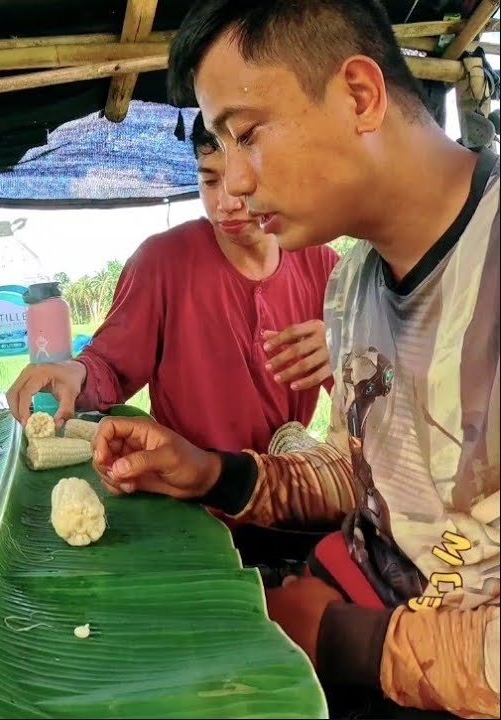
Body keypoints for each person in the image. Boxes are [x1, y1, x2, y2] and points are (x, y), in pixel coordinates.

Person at [92, 1, 498, 717]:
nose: (237, 185)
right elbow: (361, 474)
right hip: (346, 594)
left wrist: (346, 643)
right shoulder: (351, 285)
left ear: (360, 96)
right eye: (218, 154)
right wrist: (212, 471)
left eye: (248, 136)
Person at [7, 113, 339, 456]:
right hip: (185, 491)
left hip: (287, 487)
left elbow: (375, 402)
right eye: (210, 182)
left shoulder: (325, 268)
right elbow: (110, 366)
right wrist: (74, 372)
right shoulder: (161, 262)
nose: (226, 203)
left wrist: (345, 355)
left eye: (245, 179)